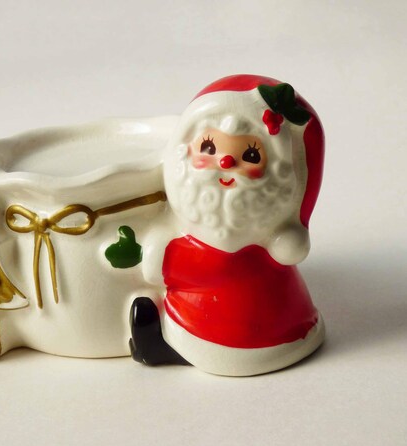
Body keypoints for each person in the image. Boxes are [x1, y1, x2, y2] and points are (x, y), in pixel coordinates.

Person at [131, 74, 326, 376]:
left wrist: (164, 257)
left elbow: (209, 268)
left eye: (250, 155)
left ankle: (167, 346)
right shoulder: (208, 226)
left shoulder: (245, 244)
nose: (224, 163)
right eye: (209, 148)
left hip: (241, 326)